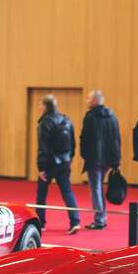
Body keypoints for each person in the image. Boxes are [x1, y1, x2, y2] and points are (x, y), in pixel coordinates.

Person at [35, 94, 81, 234]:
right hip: (64, 162)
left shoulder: (45, 122)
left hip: (49, 163)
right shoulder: (66, 120)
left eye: (41, 104)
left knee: (41, 194)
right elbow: (73, 143)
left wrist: (41, 167)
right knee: (67, 192)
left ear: (45, 106)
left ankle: (41, 223)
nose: (39, 107)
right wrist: (70, 158)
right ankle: (75, 221)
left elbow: (43, 147)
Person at [79, 89, 121, 230]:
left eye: (88, 98)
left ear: (94, 101)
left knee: (95, 188)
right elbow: (117, 139)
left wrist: (84, 155)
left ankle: (99, 219)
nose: (87, 100)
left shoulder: (90, 117)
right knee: (99, 187)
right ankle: (102, 216)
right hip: (109, 158)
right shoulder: (112, 116)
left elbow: (84, 139)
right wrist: (117, 159)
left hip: (94, 158)